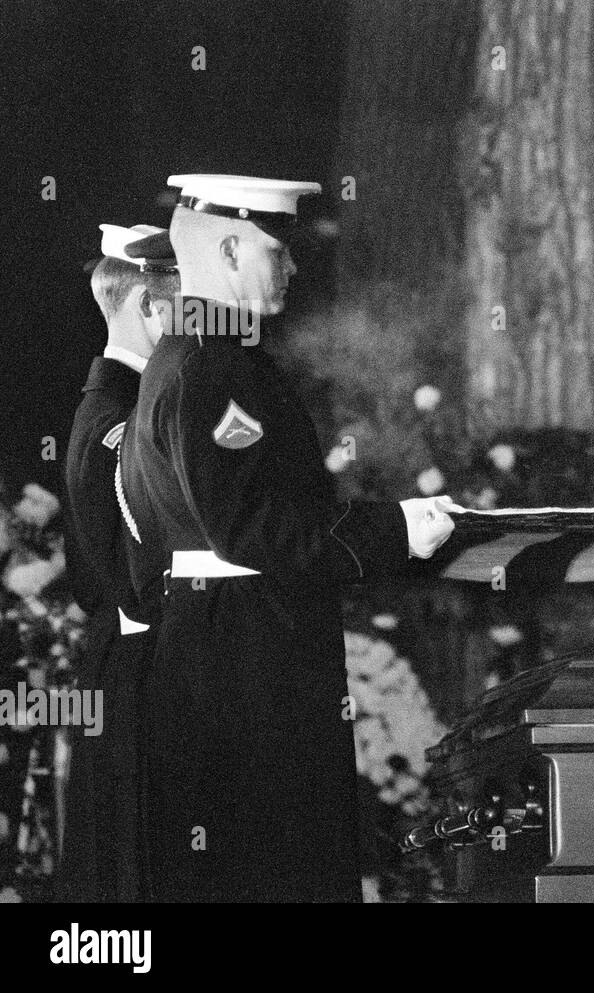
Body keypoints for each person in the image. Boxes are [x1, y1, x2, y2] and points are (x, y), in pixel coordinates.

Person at [118, 175, 457, 902]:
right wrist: (394, 528)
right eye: (281, 249)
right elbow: (251, 528)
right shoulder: (218, 369)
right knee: (279, 867)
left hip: (212, 650)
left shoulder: (182, 362)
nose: (294, 267)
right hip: (252, 662)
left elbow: (155, 538)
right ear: (232, 250)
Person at [58, 224, 178, 902]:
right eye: (184, 302)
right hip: (137, 666)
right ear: (144, 307)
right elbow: (126, 571)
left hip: (128, 661)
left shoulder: (117, 406)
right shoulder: (118, 418)